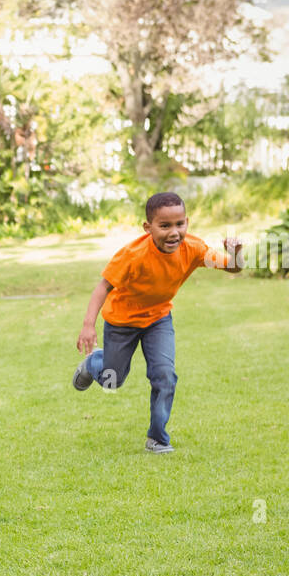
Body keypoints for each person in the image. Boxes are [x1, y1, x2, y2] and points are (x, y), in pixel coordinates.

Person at [72, 191, 242, 452]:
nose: (174, 232)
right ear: (148, 227)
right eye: (165, 226)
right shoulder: (133, 255)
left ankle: (157, 438)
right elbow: (103, 287)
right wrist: (87, 325)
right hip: (122, 322)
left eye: (180, 224)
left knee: (164, 375)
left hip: (158, 318)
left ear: (187, 222)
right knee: (112, 380)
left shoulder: (193, 249)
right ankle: (93, 362)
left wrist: (236, 253)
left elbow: (233, 268)